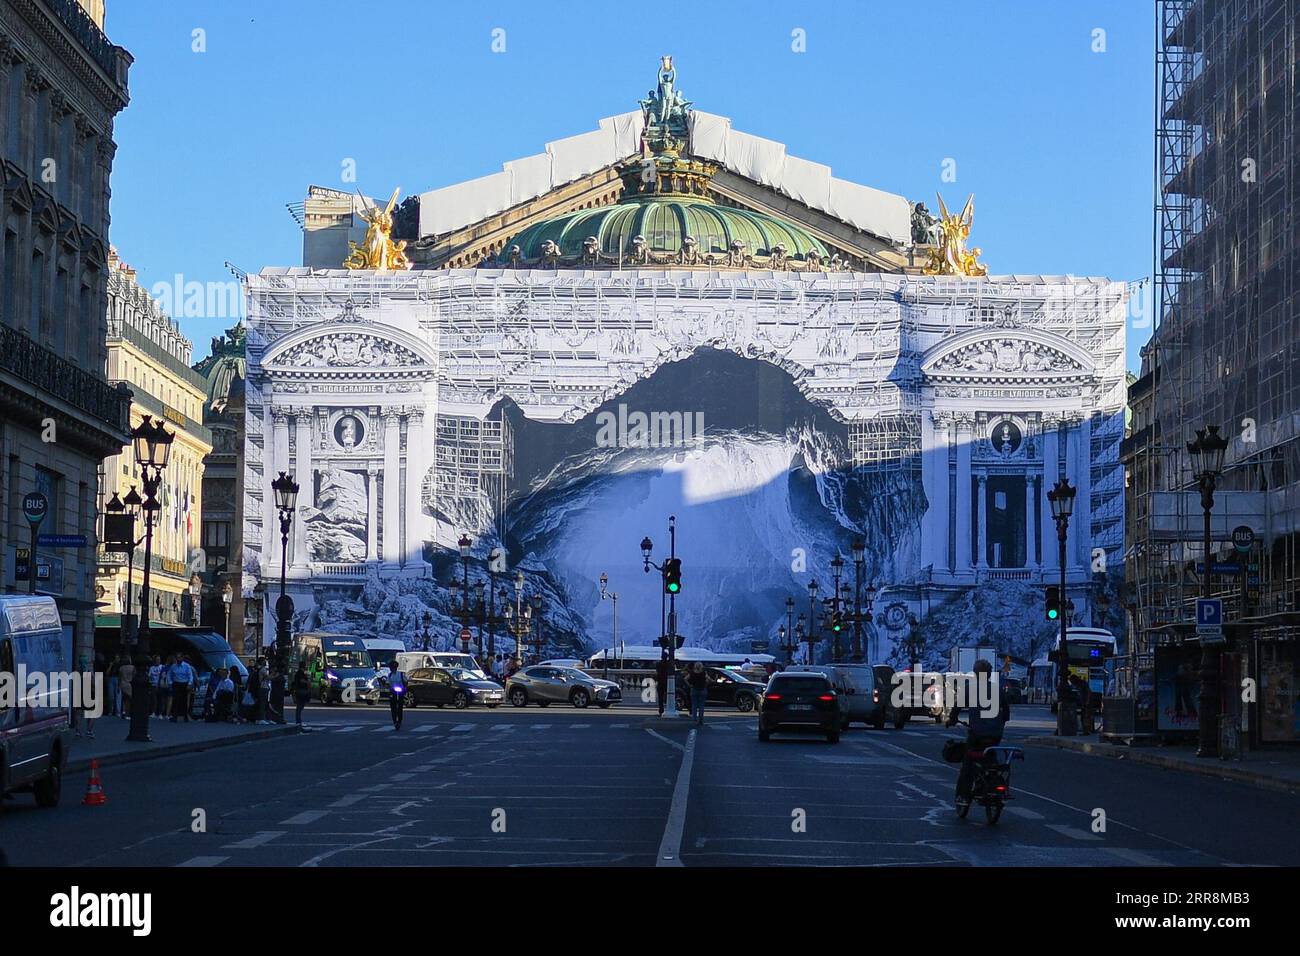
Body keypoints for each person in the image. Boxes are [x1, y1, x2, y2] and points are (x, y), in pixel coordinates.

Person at [946, 659, 1010, 805]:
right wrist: (999, 724)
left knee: (968, 763)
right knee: (990, 756)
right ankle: (991, 782)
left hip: (977, 734)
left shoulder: (969, 688)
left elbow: (957, 708)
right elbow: (1006, 712)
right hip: (995, 734)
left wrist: (952, 720)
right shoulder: (997, 689)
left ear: (975, 673)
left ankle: (963, 796)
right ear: (988, 674)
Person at [169, 654, 195, 722]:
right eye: (177, 657)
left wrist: (189, 684)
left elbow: (190, 675)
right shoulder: (173, 666)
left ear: (182, 658)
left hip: (184, 684)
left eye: (180, 657)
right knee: (175, 700)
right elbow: (169, 674)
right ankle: (175, 716)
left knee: (184, 701)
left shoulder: (186, 666)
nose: (178, 659)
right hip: (176, 684)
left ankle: (185, 716)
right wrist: (170, 682)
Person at [386, 658, 408, 730]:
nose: (392, 669)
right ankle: (395, 721)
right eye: (392, 668)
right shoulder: (390, 675)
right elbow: (388, 683)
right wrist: (389, 687)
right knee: (393, 707)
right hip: (393, 691)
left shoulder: (401, 674)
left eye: (394, 668)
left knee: (400, 706)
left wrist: (405, 687)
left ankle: (400, 720)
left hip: (400, 691)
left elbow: (405, 681)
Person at [687, 660, 709, 726]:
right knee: (701, 705)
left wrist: (689, 685)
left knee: (694, 705)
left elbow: (685, 678)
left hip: (694, 689)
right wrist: (706, 683)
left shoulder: (692, 673)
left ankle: (694, 719)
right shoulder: (704, 673)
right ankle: (701, 720)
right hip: (702, 689)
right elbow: (708, 679)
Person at [291, 661, 312, 726]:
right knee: (300, 707)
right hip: (301, 690)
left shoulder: (300, 673)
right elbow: (301, 680)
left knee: (300, 707)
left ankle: (298, 721)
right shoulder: (300, 673)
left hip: (300, 690)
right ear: (304, 666)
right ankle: (298, 721)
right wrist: (307, 682)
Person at [654, 652, 671, 716]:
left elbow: (657, 672)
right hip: (667, 681)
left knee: (660, 698)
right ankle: (669, 709)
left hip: (660, 681)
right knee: (669, 696)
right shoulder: (668, 664)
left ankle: (661, 711)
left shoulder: (658, 664)